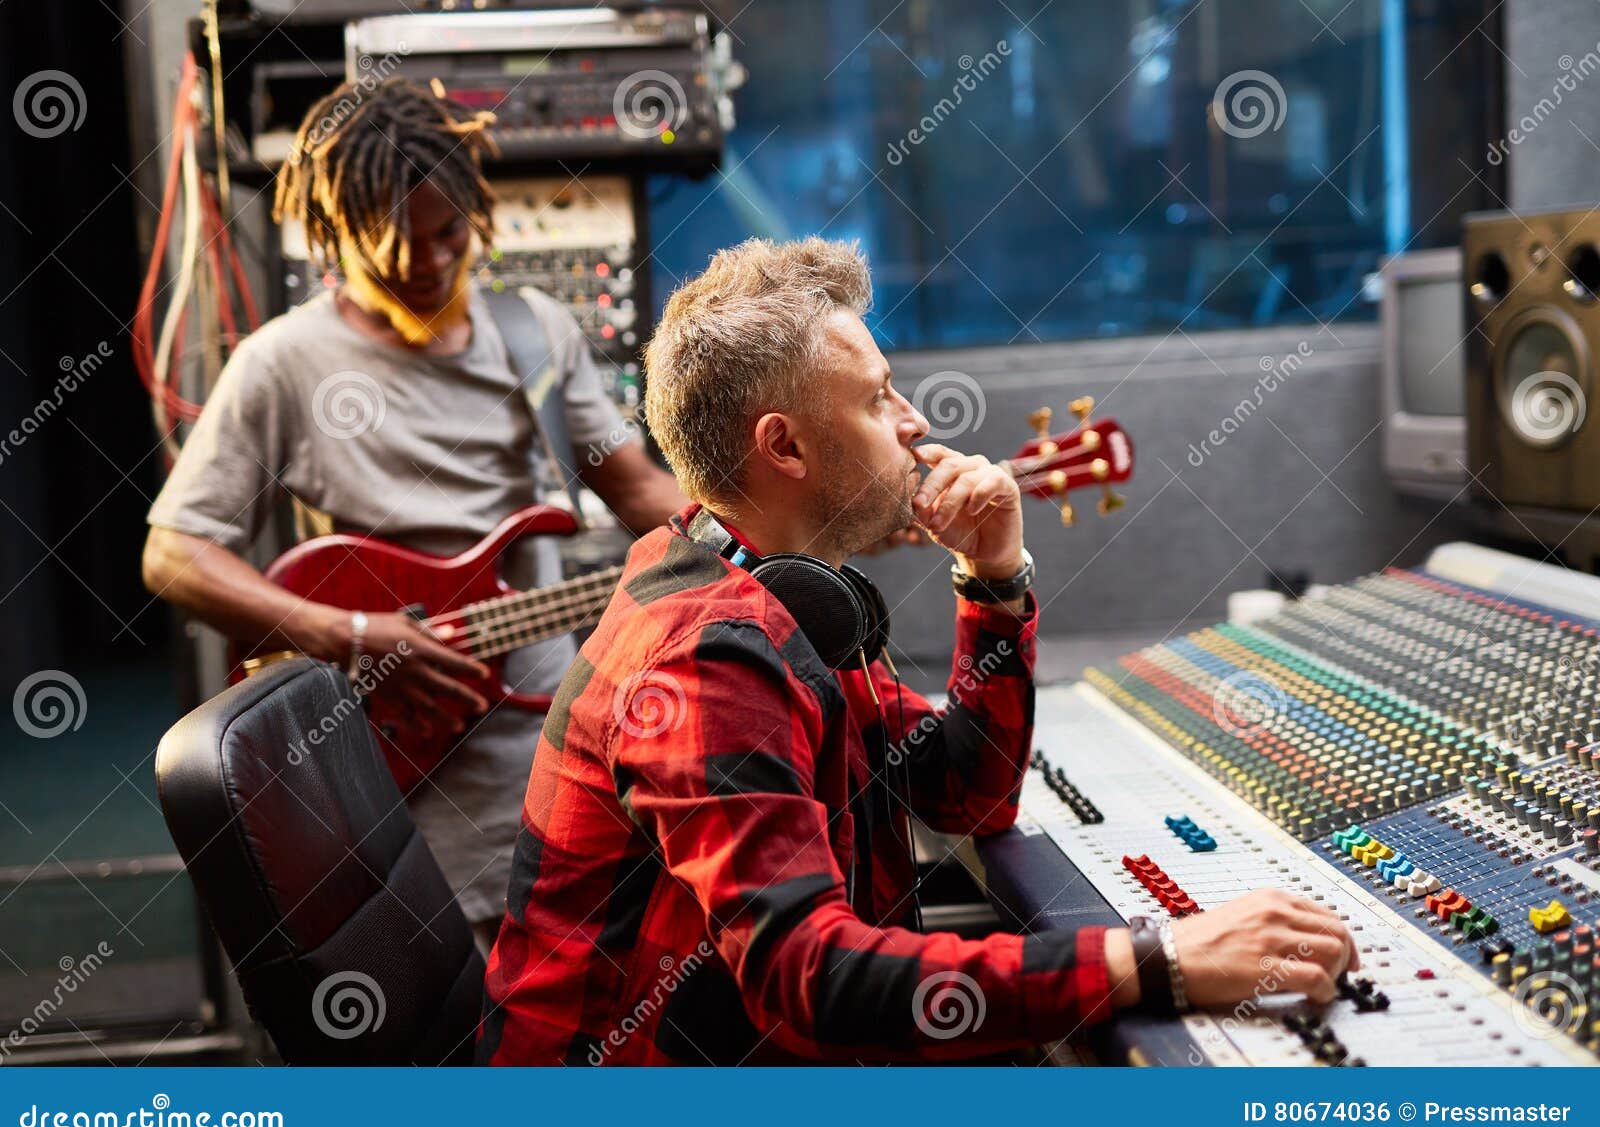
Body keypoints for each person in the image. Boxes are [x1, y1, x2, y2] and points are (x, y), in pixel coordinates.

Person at [478, 237, 1359, 1064]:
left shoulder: (787, 597)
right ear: (782, 444)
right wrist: (1155, 959)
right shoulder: (707, 659)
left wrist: (994, 574)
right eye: (875, 398)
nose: (911, 421)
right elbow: (809, 978)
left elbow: (968, 797)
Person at [141, 79, 684, 949]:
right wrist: (349, 631)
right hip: (395, 778)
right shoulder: (280, 363)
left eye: (446, 234)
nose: (424, 262)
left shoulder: (535, 330)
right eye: (385, 241)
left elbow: (638, 491)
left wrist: (761, 516)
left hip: (556, 755)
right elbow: (173, 554)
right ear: (329, 231)